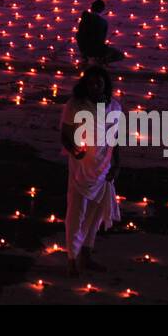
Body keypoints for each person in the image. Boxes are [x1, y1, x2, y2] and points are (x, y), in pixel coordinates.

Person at [59, 66, 122, 276]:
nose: (95, 87)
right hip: (81, 169)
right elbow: (65, 135)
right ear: (85, 85)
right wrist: (74, 150)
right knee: (76, 213)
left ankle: (86, 254)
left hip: (103, 168)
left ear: (106, 84)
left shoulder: (114, 107)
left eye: (99, 83)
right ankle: (71, 259)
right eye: (91, 83)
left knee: (95, 214)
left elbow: (116, 139)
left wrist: (116, 163)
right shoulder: (75, 106)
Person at [76, 0, 124, 64]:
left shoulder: (84, 19)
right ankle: (100, 62)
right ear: (102, 9)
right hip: (94, 50)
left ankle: (94, 60)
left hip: (83, 49)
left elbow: (79, 35)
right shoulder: (102, 22)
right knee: (119, 55)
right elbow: (99, 39)